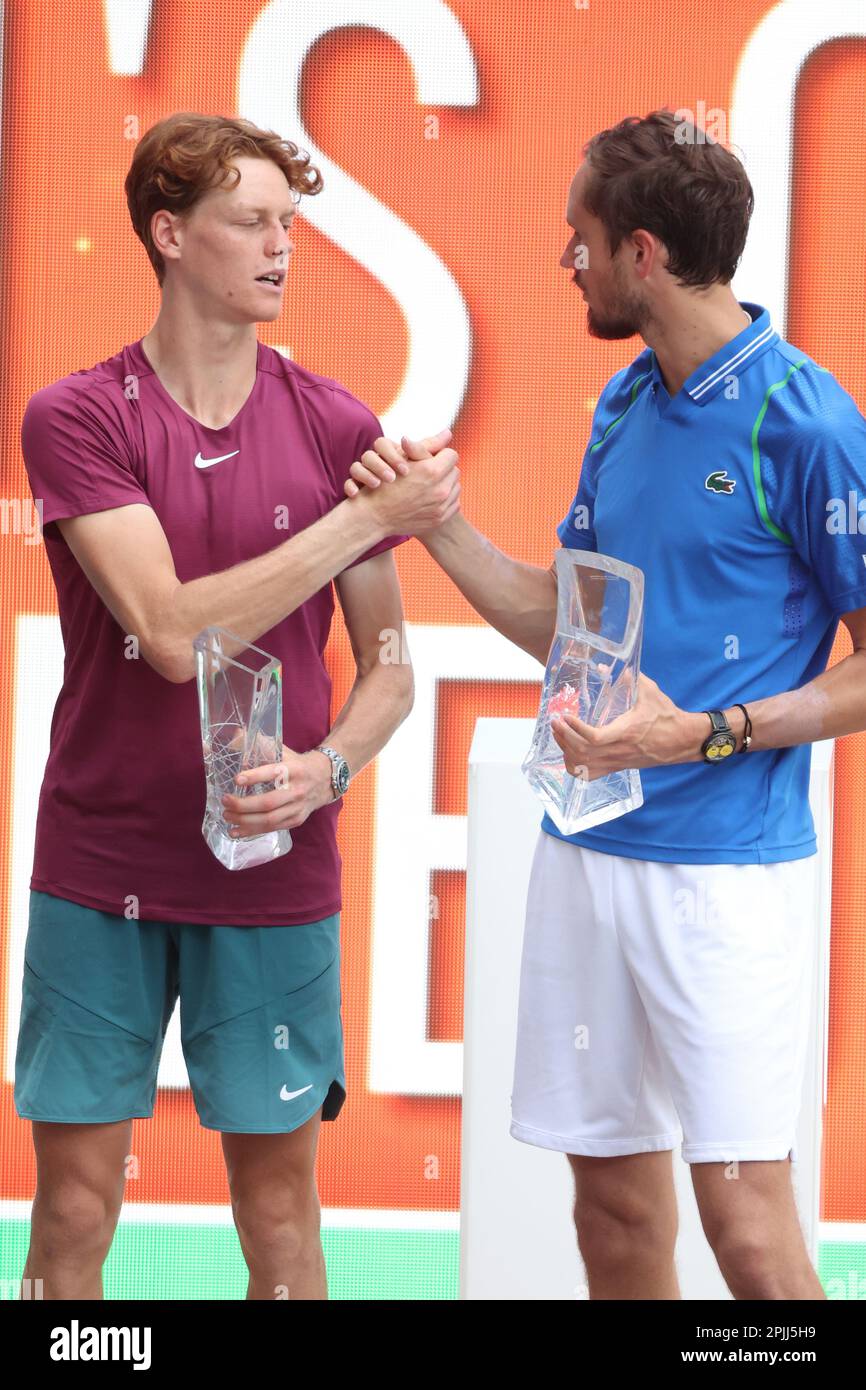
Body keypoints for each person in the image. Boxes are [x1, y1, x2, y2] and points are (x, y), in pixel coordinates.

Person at [342, 109, 866, 1300]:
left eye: (577, 238)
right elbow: (566, 628)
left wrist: (704, 733)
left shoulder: (808, 423)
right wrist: (433, 524)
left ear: (640, 253)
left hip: (724, 879)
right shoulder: (623, 404)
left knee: (745, 1228)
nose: (563, 260)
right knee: (614, 1212)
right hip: (583, 851)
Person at [14, 111, 458, 1301]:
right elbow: (168, 633)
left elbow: (390, 665)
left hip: (274, 872)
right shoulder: (78, 416)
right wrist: (361, 520)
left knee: (278, 1216)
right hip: (99, 868)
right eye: (251, 222)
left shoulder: (334, 423)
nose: (281, 246)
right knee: (73, 1210)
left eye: (289, 223)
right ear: (169, 234)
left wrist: (328, 771)